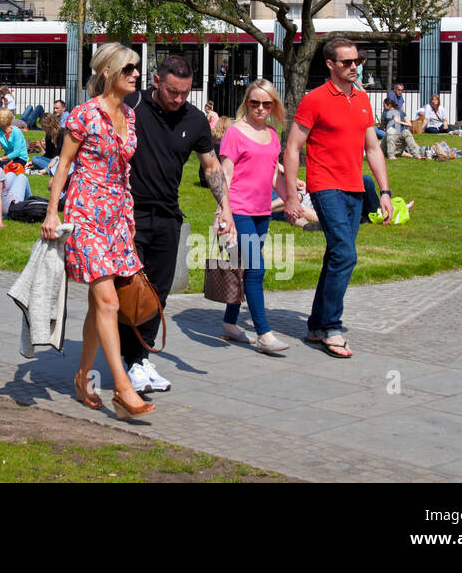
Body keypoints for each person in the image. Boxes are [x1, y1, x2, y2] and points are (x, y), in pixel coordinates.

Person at [40, 43, 154, 419]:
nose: (135, 74)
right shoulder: (84, 115)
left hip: (118, 218)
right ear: (107, 72)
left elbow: (124, 171)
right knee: (109, 301)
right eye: (128, 69)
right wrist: (52, 212)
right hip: (85, 213)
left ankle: (82, 378)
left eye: (136, 68)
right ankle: (123, 389)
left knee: (97, 304)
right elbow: (62, 166)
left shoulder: (131, 116)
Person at [119, 55, 232, 396]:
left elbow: (211, 167)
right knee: (130, 290)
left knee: (158, 293)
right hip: (128, 215)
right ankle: (133, 361)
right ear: (156, 81)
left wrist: (224, 207)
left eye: (184, 93)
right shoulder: (131, 106)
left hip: (168, 217)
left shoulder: (195, 120)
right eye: (172, 92)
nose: (178, 99)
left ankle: (141, 358)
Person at [283, 37, 394, 359]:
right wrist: (292, 196)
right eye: (346, 62)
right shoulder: (314, 100)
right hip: (325, 186)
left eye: (356, 61)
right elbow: (292, 148)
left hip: (355, 188)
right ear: (330, 65)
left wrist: (384, 192)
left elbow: (372, 148)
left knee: (336, 255)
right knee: (346, 254)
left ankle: (316, 325)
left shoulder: (362, 98)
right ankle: (332, 327)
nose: (354, 67)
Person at [217, 80, 294, 354]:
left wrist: (291, 201)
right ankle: (264, 334)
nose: (260, 108)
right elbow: (224, 175)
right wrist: (222, 213)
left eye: (266, 103)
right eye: (255, 103)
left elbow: (273, 174)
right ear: (246, 103)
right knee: (256, 269)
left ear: (273, 105)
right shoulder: (235, 133)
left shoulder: (273, 135)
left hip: (262, 212)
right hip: (238, 210)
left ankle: (229, 323)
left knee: (242, 267)